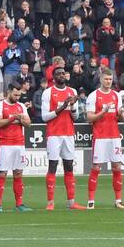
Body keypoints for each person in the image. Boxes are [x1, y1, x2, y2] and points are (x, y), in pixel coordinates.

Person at [85, 68, 124, 209]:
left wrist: (121, 114)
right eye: (106, 79)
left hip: (114, 136)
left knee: (117, 167)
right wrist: (103, 111)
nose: (108, 82)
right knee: (96, 167)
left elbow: (121, 119)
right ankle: (91, 201)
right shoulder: (93, 96)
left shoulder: (116, 96)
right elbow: (89, 118)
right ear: (101, 79)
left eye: (110, 79)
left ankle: (118, 201)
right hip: (100, 136)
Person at [40, 66, 83, 210]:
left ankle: (71, 202)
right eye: (58, 74)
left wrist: (72, 107)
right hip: (54, 134)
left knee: (69, 166)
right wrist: (63, 106)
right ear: (53, 77)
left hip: (69, 133)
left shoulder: (72, 92)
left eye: (63, 73)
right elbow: (45, 117)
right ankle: (50, 203)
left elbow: (75, 117)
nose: (62, 75)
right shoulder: (48, 92)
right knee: (52, 166)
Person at [0, 83, 32, 212]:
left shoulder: (20, 106)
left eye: (19, 95)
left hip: (19, 143)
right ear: (8, 92)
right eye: (15, 94)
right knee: (2, 173)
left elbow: (28, 123)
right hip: (5, 144)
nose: (17, 97)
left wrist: (20, 119)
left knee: (18, 173)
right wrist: (12, 118)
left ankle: (19, 204)